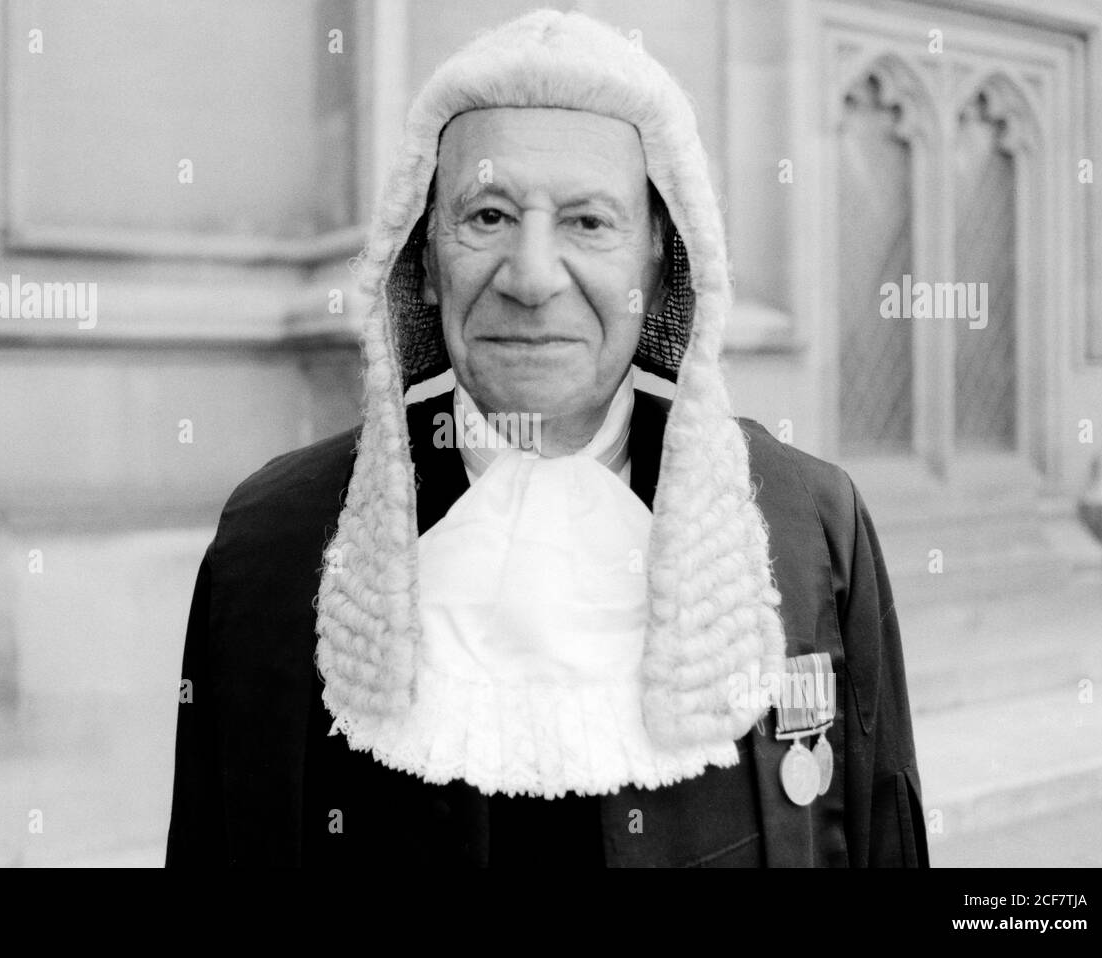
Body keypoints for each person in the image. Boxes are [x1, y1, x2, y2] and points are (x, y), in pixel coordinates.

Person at [166, 9, 928, 868]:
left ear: (660, 265)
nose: (531, 278)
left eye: (588, 222)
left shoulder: (811, 529)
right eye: (488, 215)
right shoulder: (271, 544)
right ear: (423, 261)